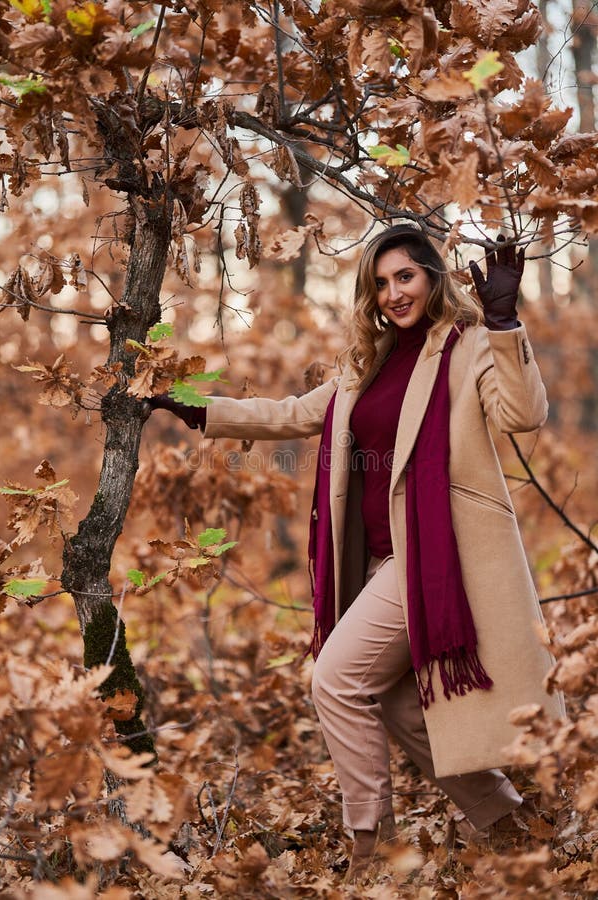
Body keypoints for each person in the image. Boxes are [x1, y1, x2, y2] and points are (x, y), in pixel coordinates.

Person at [148, 225, 565, 881]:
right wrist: (194, 405)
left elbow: (523, 413)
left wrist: (506, 320)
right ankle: (510, 825)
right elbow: (289, 414)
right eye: (380, 282)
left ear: (432, 275)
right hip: (377, 565)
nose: (394, 293)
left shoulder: (467, 346)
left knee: (335, 681)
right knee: (402, 707)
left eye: (405, 276)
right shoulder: (363, 362)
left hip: (432, 558)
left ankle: (372, 850)